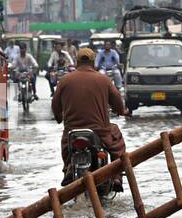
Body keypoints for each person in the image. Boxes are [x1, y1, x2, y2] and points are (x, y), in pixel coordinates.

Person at [51, 45, 128, 184]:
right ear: (93, 62)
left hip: (72, 132)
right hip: (100, 131)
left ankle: (68, 168)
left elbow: (55, 105)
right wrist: (122, 111)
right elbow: (118, 102)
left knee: (65, 145)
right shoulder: (103, 79)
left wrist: (58, 117)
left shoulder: (65, 80)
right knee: (117, 139)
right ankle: (116, 175)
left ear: (76, 62)